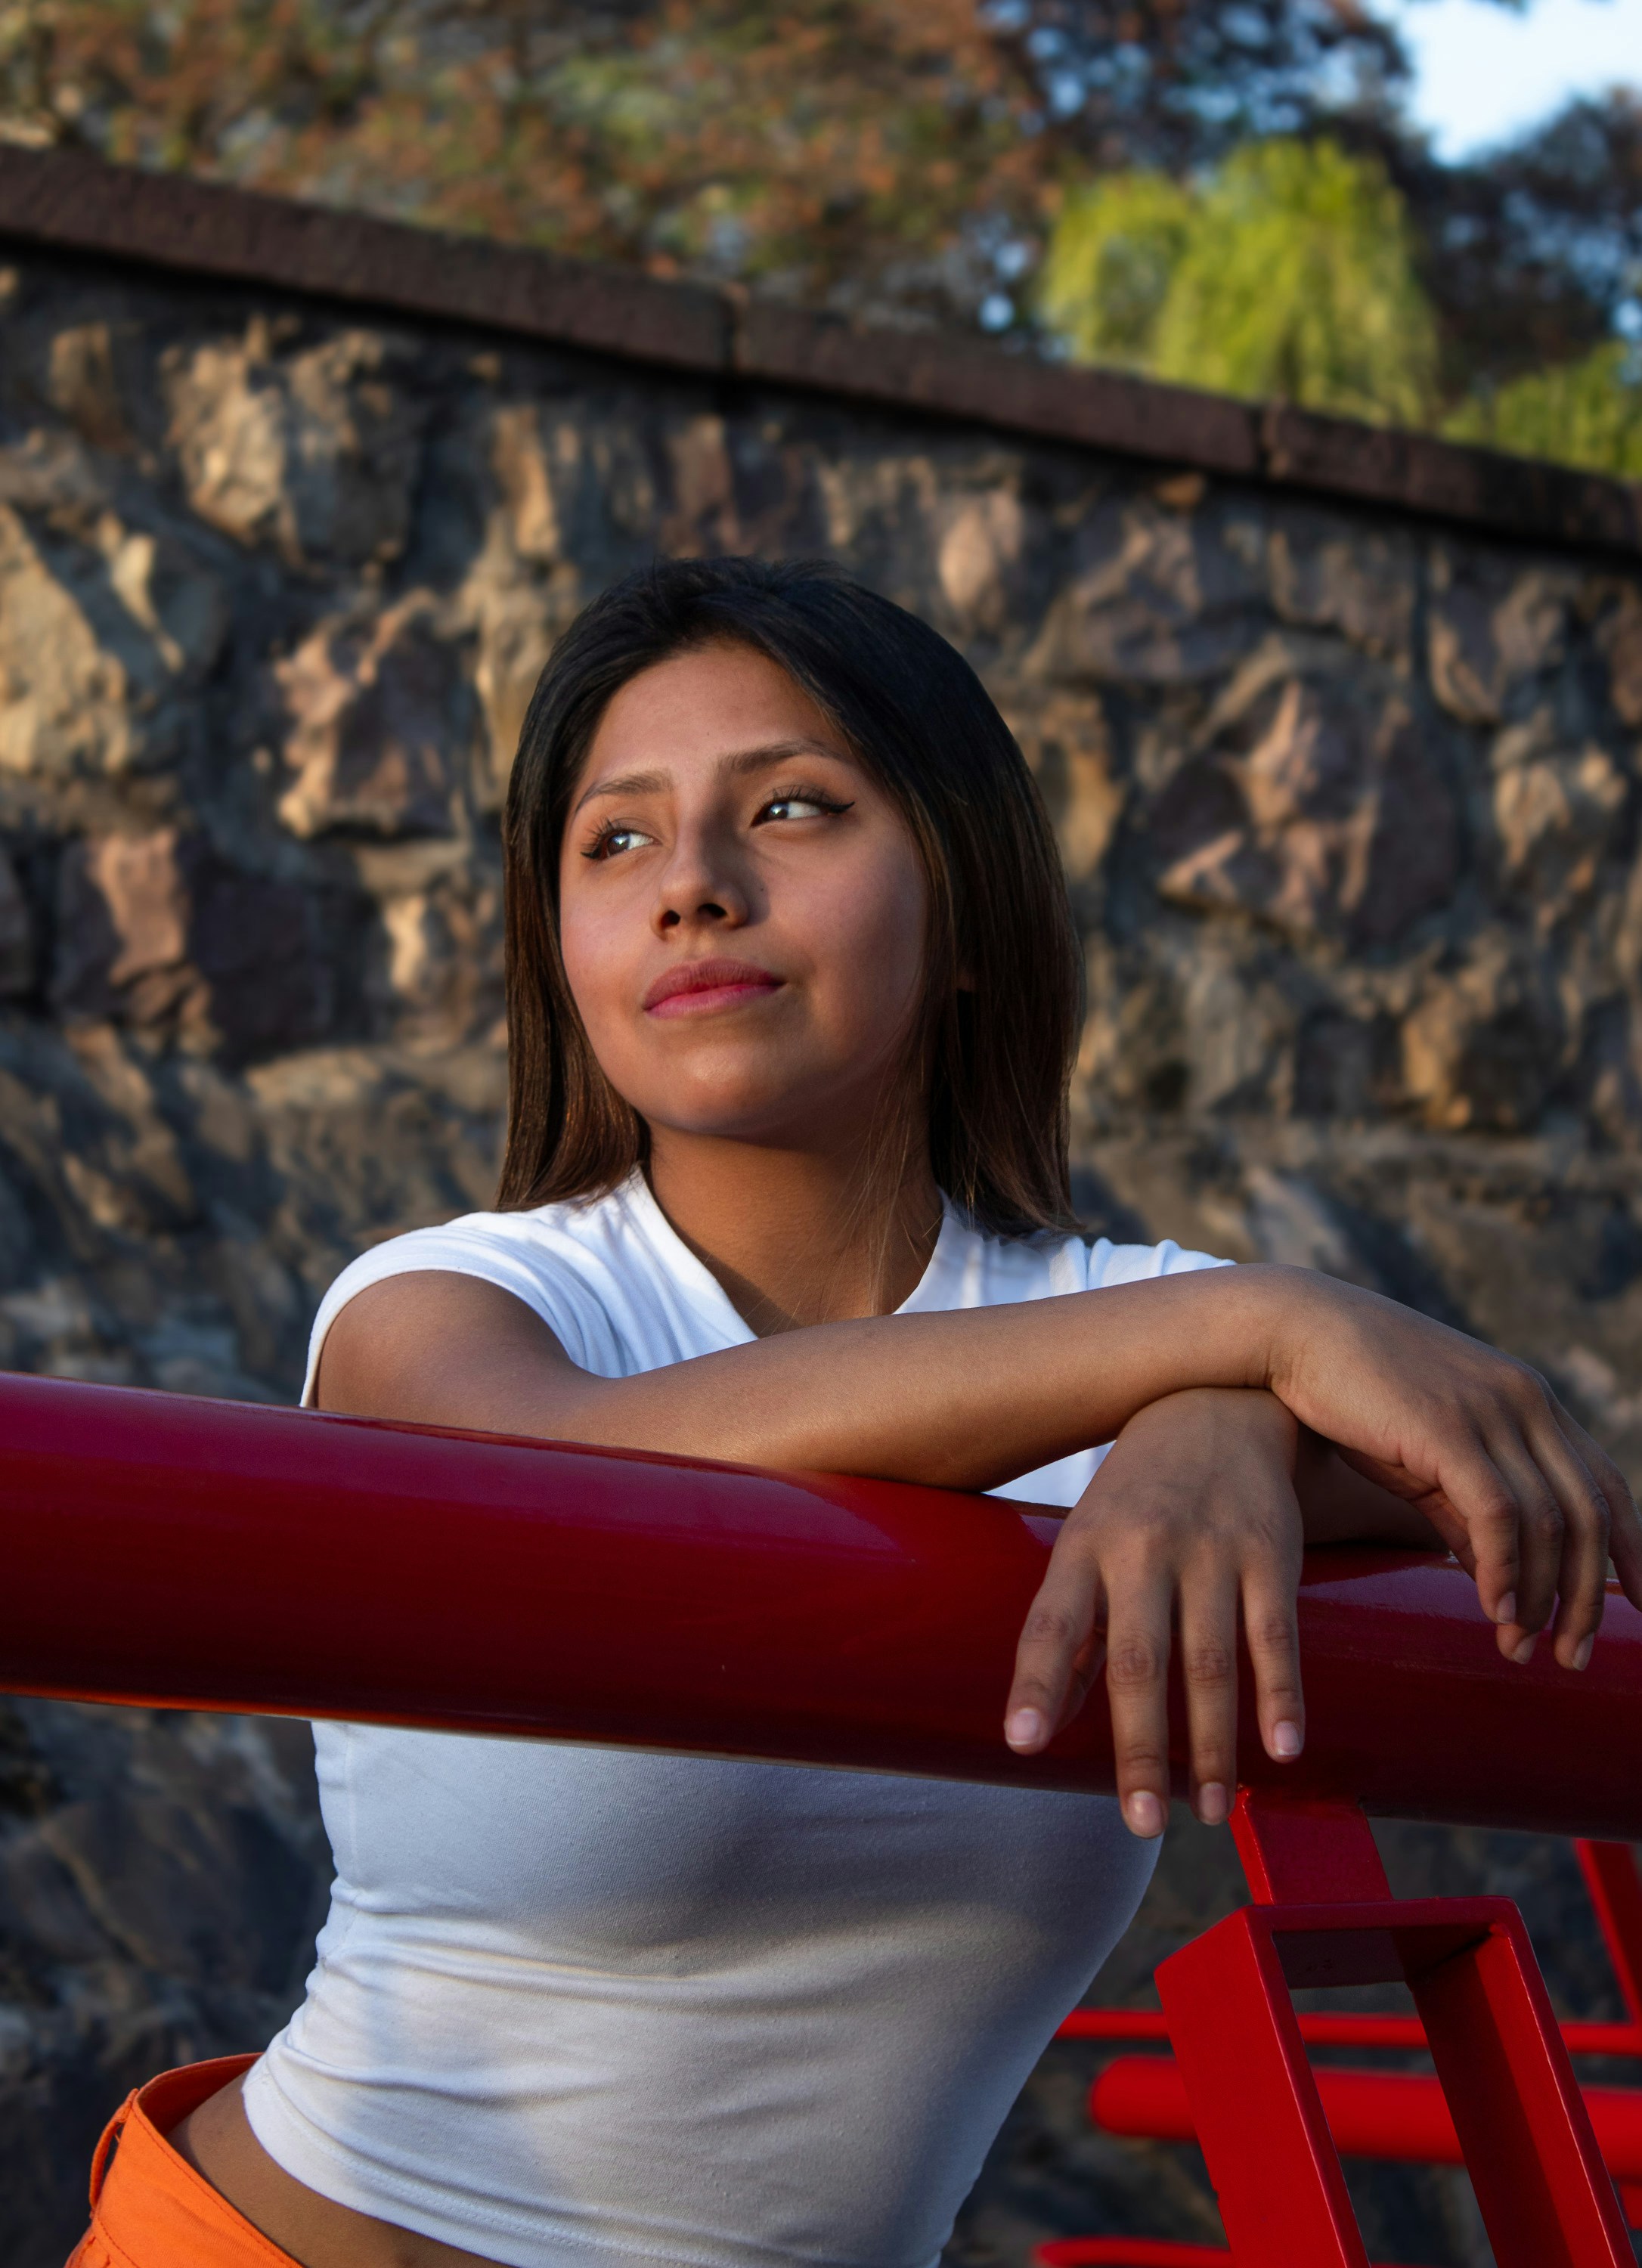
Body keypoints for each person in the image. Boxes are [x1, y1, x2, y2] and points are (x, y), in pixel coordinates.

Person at [72, 556, 1642, 2268]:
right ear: (562, 954)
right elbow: (577, 1486)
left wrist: (1227, 1426)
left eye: (792, 809)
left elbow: (1563, 1510)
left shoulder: (1144, 1337)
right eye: (617, 841)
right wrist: (1247, 1331)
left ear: (963, 906)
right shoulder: (450, 1302)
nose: (693, 888)